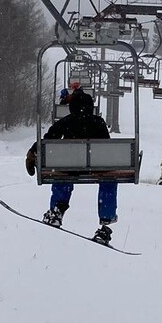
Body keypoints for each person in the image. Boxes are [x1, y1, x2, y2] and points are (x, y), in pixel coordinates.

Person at [24, 88, 119, 244]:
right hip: (95, 168)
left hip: (71, 168)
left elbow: (48, 140)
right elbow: (105, 148)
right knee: (109, 179)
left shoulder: (67, 121)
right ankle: (105, 222)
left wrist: (33, 151)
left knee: (62, 172)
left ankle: (57, 211)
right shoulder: (98, 122)